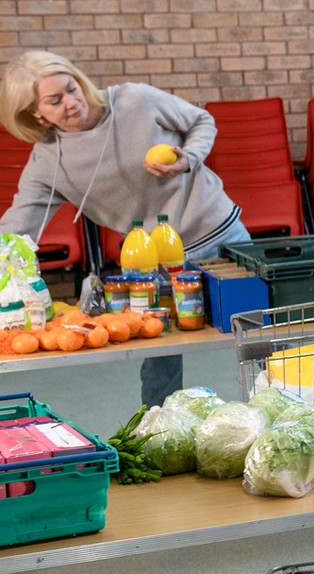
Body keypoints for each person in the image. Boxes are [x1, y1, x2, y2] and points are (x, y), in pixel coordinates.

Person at [1, 51, 251, 405]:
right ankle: (159, 431)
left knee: (259, 331)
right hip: (152, 259)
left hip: (219, 233)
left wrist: (189, 158)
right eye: (55, 101)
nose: (72, 103)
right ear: (35, 114)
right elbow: (14, 232)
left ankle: (289, 402)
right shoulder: (47, 162)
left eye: (72, 88)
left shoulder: (135, 99)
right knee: (158, 358)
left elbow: (201, 121)